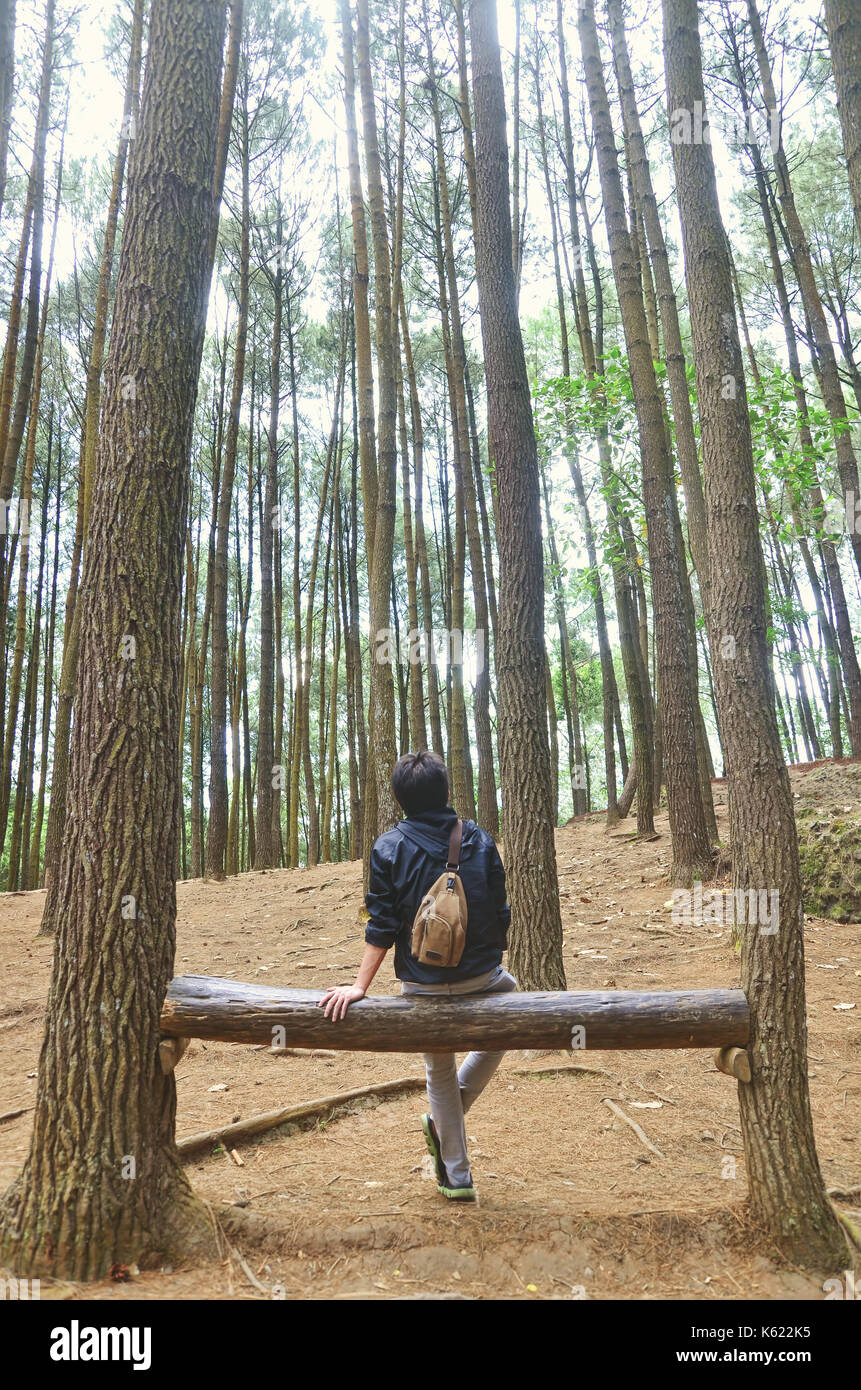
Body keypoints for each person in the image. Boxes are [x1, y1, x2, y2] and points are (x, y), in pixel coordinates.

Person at [318, 750, 514, 1202]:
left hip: (421, 986)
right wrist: (481, 960)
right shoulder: (480, 840)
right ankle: (450, 1120)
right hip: (483, 981)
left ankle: (458, 1176)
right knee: (513, 1002)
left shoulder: (387, 847)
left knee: (439, 1070)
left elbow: (381, 924)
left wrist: (359, 986)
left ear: (399, 800)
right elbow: (498, 912)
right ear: (447, 791)